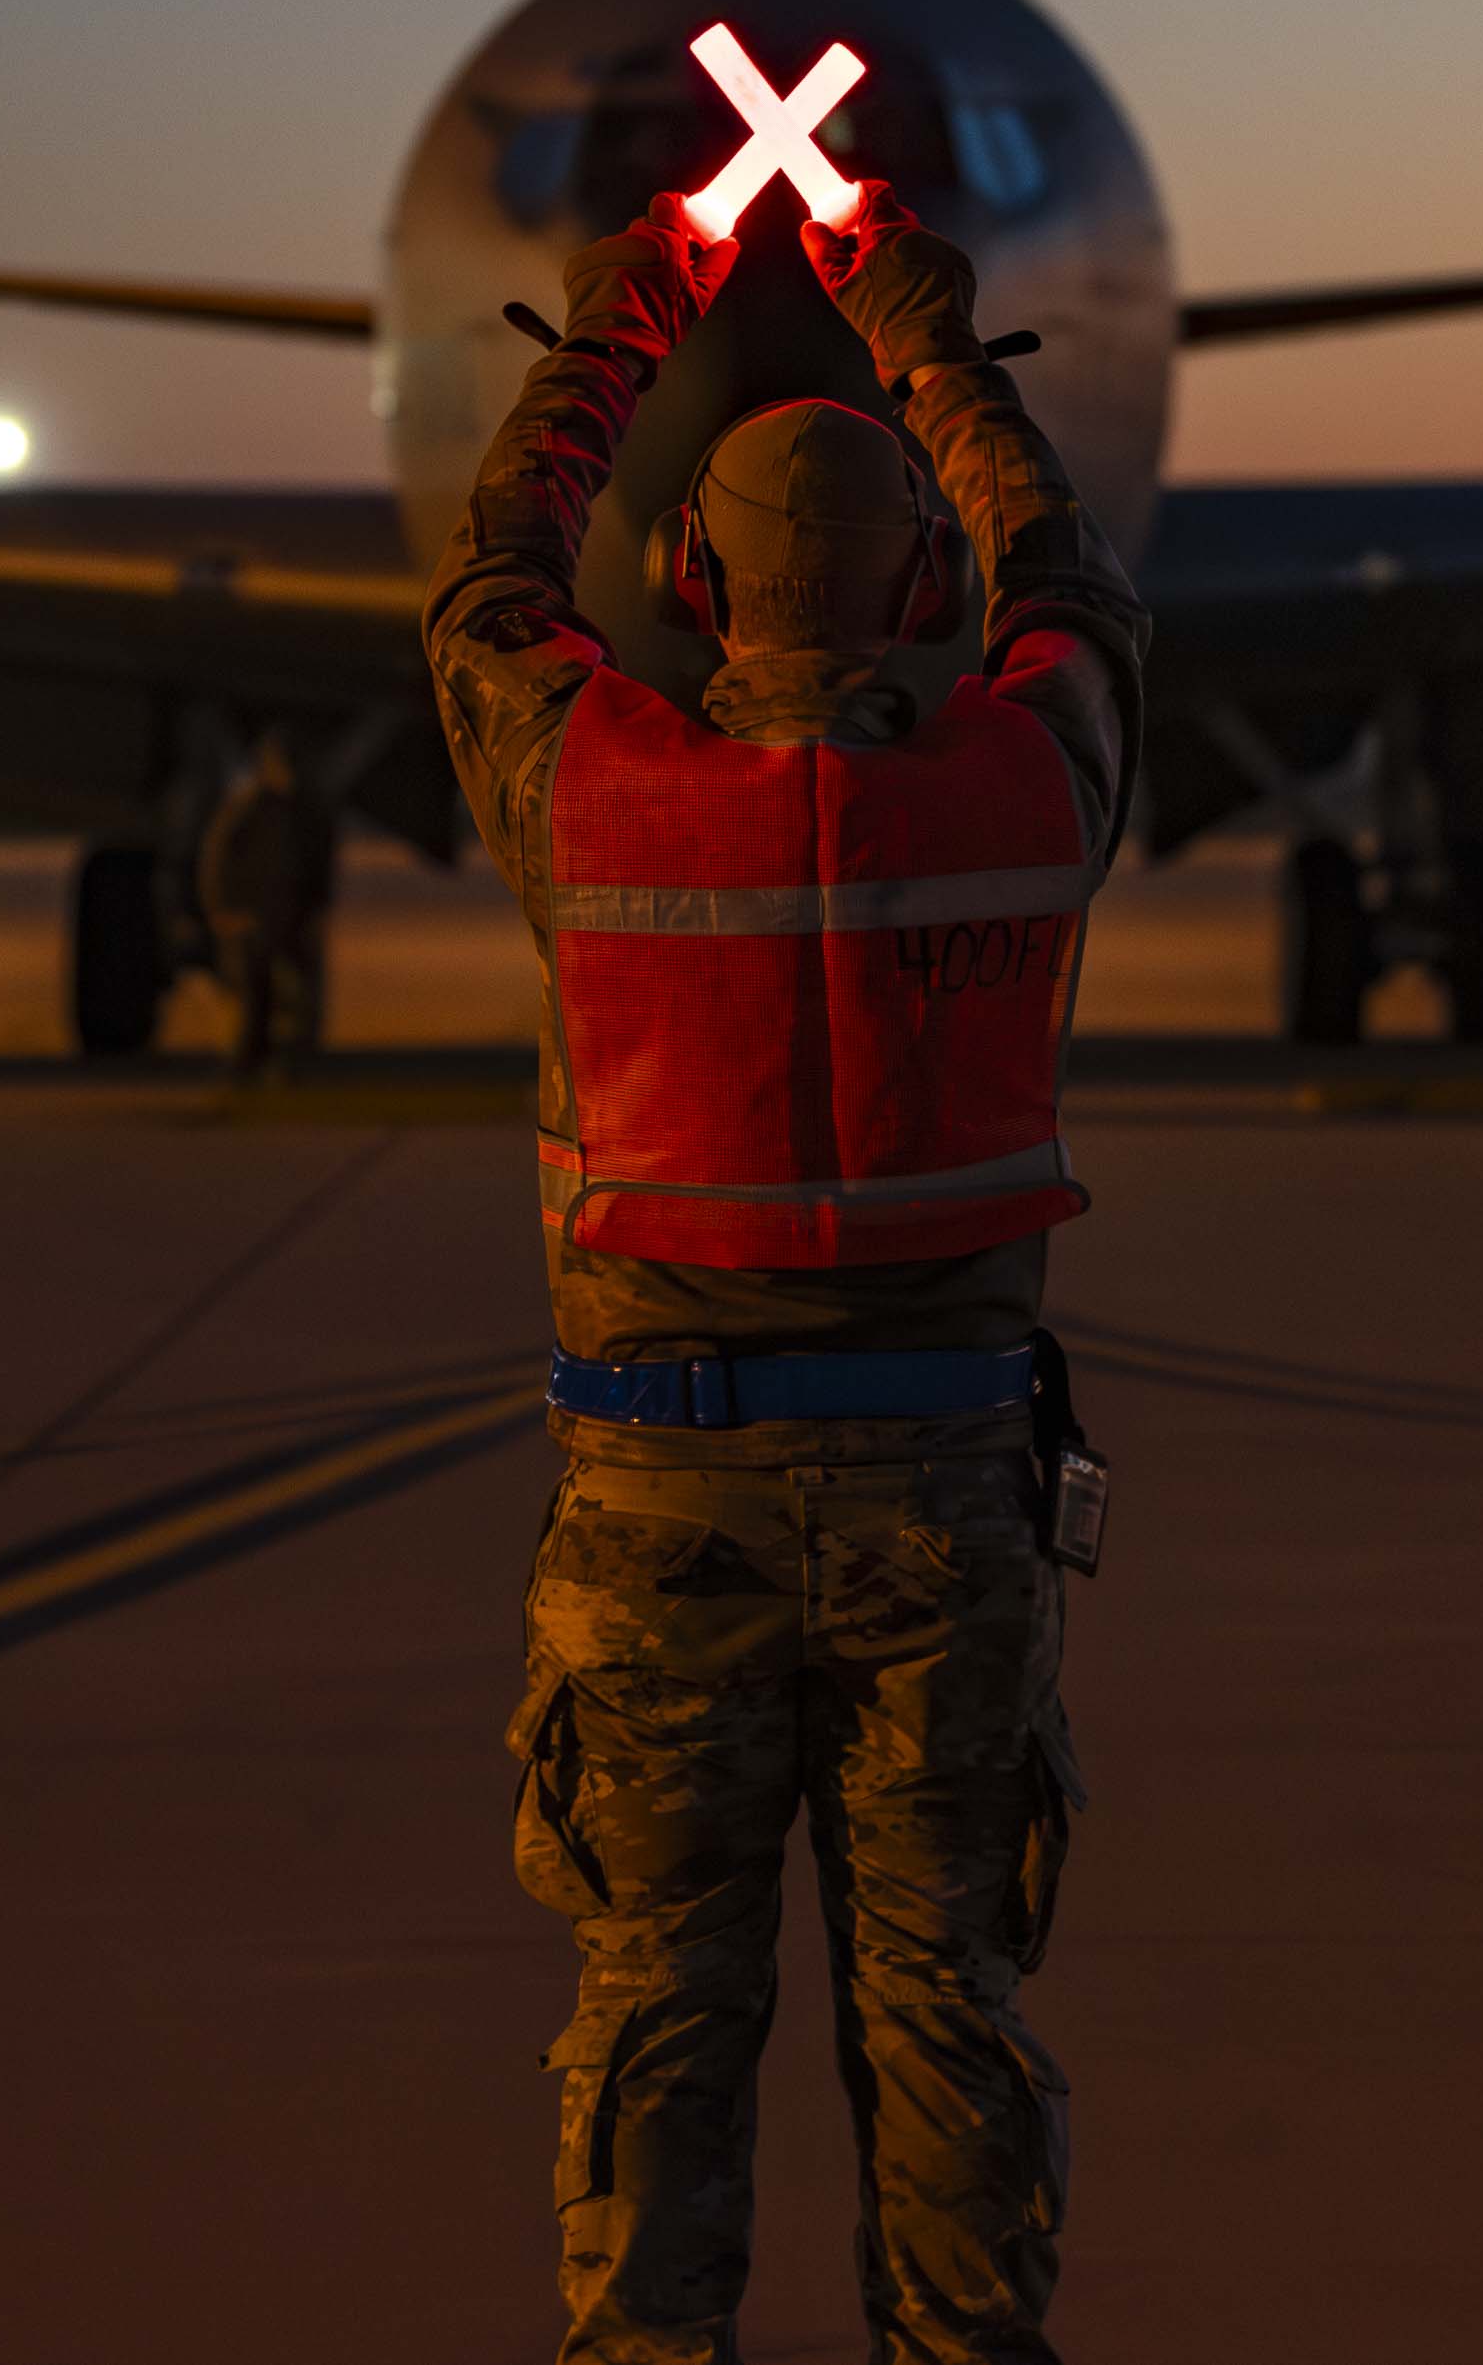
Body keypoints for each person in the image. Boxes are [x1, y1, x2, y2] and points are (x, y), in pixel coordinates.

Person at [428, 179, 1147, 2365]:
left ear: (682, 572)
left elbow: (489, 577)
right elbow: (1071, 587)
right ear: (925, 580)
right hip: (948, 1515)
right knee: (946, 2002)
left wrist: (623, 318)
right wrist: (921, 332)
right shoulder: (1032, 775)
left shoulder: (584, 786)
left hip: (663, 1512)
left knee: (655, 2004)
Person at [196, 722, 336, 1077]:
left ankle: (291, 1063)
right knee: (252, 999)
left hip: (289, 917)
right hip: (253, 919)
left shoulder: (305, 812)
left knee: (295, 999)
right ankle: (248, 1063)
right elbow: (218, 860)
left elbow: (319, 864)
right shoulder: (248, 809)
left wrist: (315, 909)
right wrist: (223, 909)